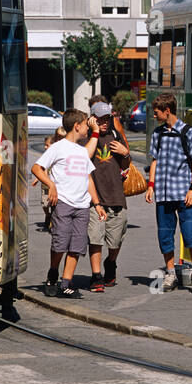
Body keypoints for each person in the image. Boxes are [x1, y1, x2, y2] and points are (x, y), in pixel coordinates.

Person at [31, 109, 95, 297]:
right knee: (60, 243)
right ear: (77, 126)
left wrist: (96, 204)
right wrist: (51, 184)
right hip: (64, 202)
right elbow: (36, 168)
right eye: (85, 124)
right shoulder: (58, 147)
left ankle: (66, 282)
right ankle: (53, 272)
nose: (87, 128)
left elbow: (88, 178)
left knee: (77, 246)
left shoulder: (82, 151)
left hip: (82, 205)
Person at [144, 94, 192, 293]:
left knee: (191, 234)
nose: (154, 116)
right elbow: (154, 160)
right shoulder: (157, 134)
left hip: (184, 193)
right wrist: (151, 185)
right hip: (163, 193)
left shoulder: (188, 132)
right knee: (165, 235)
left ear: (167, 111)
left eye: (157, 112)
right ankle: (170, 274)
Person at [85, 102, 131, 292]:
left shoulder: (115, 136)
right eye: (101, 119)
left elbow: (126, 165)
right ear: (92, 119)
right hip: (95, 199)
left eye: (107, 119)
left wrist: (125, 153)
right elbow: (82, 160)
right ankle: (96, 276)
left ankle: (110, 263)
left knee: (116, 240)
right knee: (95, 238)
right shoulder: (86, 138)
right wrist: (94, 132)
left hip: (116, 196)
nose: (105, 122)